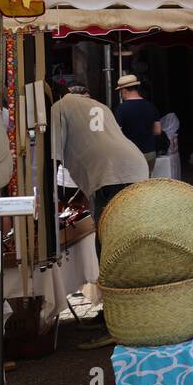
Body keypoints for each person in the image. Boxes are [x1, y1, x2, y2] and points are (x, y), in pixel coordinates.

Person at [51, 84, 149, 252]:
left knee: (106, 230)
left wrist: (49, 197)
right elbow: (98, 148)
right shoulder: (100, 105)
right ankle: (132, 267)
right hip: (135, 164)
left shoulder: (59, 107)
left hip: (112, 172)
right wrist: (82, 193)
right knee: (132, 226)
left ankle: (107, 274)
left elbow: (55, 156)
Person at [114, 74, 161, 176]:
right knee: (146, 184)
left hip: (131, 154)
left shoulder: (121, 109)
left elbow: (117, 133)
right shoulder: (150, 106)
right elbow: (158, 131)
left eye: (120, 91)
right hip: (150, 152)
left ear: (124, 91)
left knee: (133, 187)